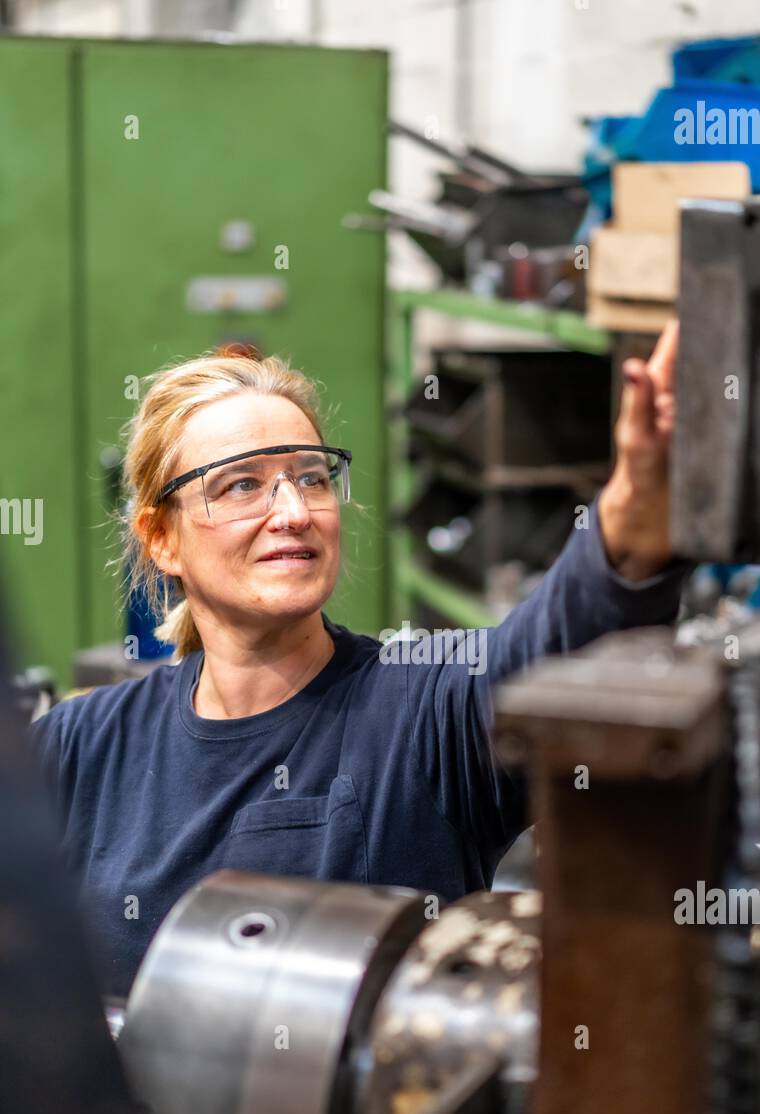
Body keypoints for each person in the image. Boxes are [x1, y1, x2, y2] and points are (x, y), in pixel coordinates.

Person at [31, 324, 687, 998]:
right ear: (161, 538)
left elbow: (553, 645)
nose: (292, 512)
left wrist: (634, 510)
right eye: (240, 486)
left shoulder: (424, 713)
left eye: (310, 478)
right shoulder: (80, 749)